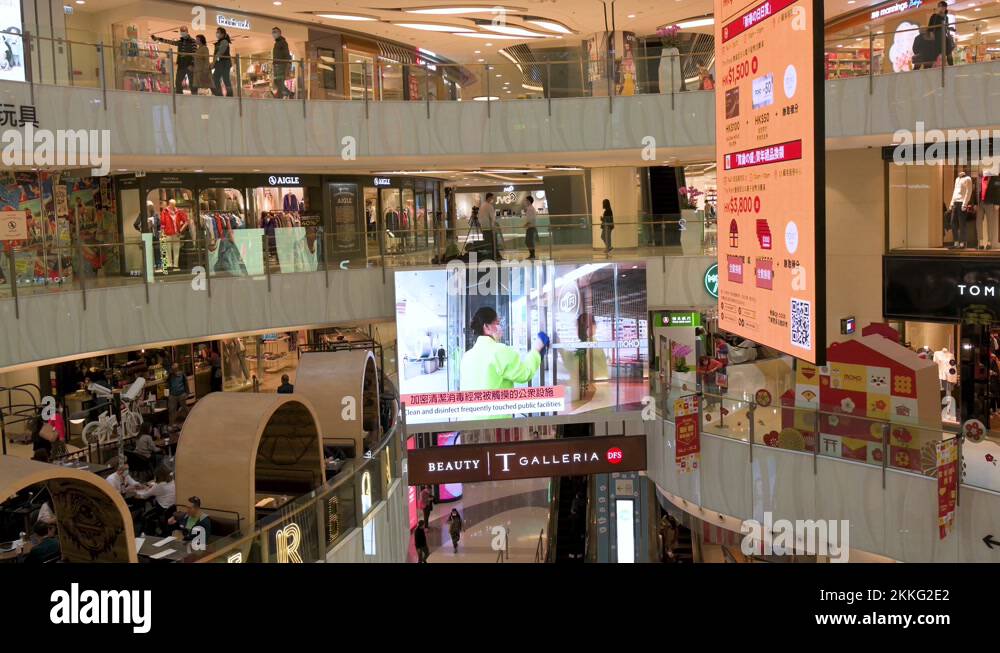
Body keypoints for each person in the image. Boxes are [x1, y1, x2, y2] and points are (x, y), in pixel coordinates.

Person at [459, 305, 546, 397]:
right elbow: (525, 374)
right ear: (486, 326)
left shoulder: (466, 356)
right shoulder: (499, 351)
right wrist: (536, 349)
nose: (500, 327)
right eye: (497, 323)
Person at [152, 27, 199, 94]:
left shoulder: (193, 41)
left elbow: (194, 53)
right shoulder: (180, 41)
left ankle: (195, 97)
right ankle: (179, 96)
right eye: (181, 31)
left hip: (189, 65)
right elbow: (171, 42)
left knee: (192, 82)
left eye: (183, 31)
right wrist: (158, 39)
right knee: (177, 82)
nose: (182, 32)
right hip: (181, 64)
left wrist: (192, 64)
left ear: (187, 31)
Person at [134, 468, 176, 535]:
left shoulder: (159, 486)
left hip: (162, 508)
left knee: (145, 517)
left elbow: (144, 496)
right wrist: (152, 486)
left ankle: (146, 534)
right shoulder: (172, 481)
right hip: (172, 507)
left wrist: (135, 493)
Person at [928, 1, 954, 66]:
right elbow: (930, 27)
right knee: (935, 54)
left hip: (944, 36)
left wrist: (949, 30)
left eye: (942, 6)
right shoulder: (934, 16)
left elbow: (946, 27)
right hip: (936, 36)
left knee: (949, 52)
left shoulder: (946, 17)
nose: (940, 8)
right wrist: (931, 35)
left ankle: (951, 67)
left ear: (945, 8)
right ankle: (930, 69)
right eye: (939, 6)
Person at [271, 27, 293, 99]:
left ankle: (288, 93)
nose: (274, 33)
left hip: (281, 65)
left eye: (275, 32)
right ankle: (281, 95)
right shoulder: (277, 43)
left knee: (279, 81)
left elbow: (286, 54)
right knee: (277, 82)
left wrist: (288, 65)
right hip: (277, 65)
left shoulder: (282, 42)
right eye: (273, 32)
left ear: (279, 33)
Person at [212, 27, 233, 96]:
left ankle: (227, 94)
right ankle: (220, 93)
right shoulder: (219, 42)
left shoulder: (224, 41)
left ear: (223, 34)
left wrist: (213, 62)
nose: (217, 33)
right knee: (217, 78)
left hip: (224, 63)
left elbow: (220, 53)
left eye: (218, 32)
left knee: (224, 78)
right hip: (220, 63)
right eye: (216, 32)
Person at [481, 192, 498, 259]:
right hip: (489, 228)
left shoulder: (482, 206)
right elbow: (492, 217)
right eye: (492, 198)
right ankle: (493, 256)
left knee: (487, 243)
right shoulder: (489, 206)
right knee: (492, 243)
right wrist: (494, 225)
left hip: (484, 228)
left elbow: (481, 218)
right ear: (489, 198)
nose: (492, 199)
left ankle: (489, 257)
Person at [522, 195, 538, 260]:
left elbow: (531, 219)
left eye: (526, 200)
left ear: (528, 201)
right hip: (530, 227)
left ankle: (532, 255)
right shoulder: (530, 208)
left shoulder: (530, 208)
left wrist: (526, 224)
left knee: (529, 241)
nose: (525, 202)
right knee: (529, 241)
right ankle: (532, 254)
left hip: (531, 227)